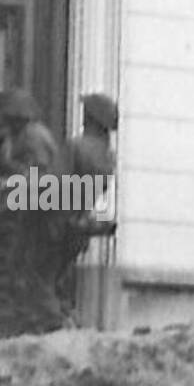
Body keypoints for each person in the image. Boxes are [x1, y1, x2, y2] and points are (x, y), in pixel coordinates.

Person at [0, 88, 69, 334]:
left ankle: (49, 324)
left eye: (3, 116)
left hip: (43, 211)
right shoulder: (21, 136)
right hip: (36, 208)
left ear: (13, 117)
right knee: (23, 266)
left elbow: (38, 176)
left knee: (28, 268)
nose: (0, 120)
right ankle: (36, 322)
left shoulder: (33, 137)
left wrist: (8, 181)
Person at [56, 92, 118, 320]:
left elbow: (57, 186)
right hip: (83, 224)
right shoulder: (108, 156)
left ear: (91, 119)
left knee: (46, 283)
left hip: (62, 223)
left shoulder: (76, 147)